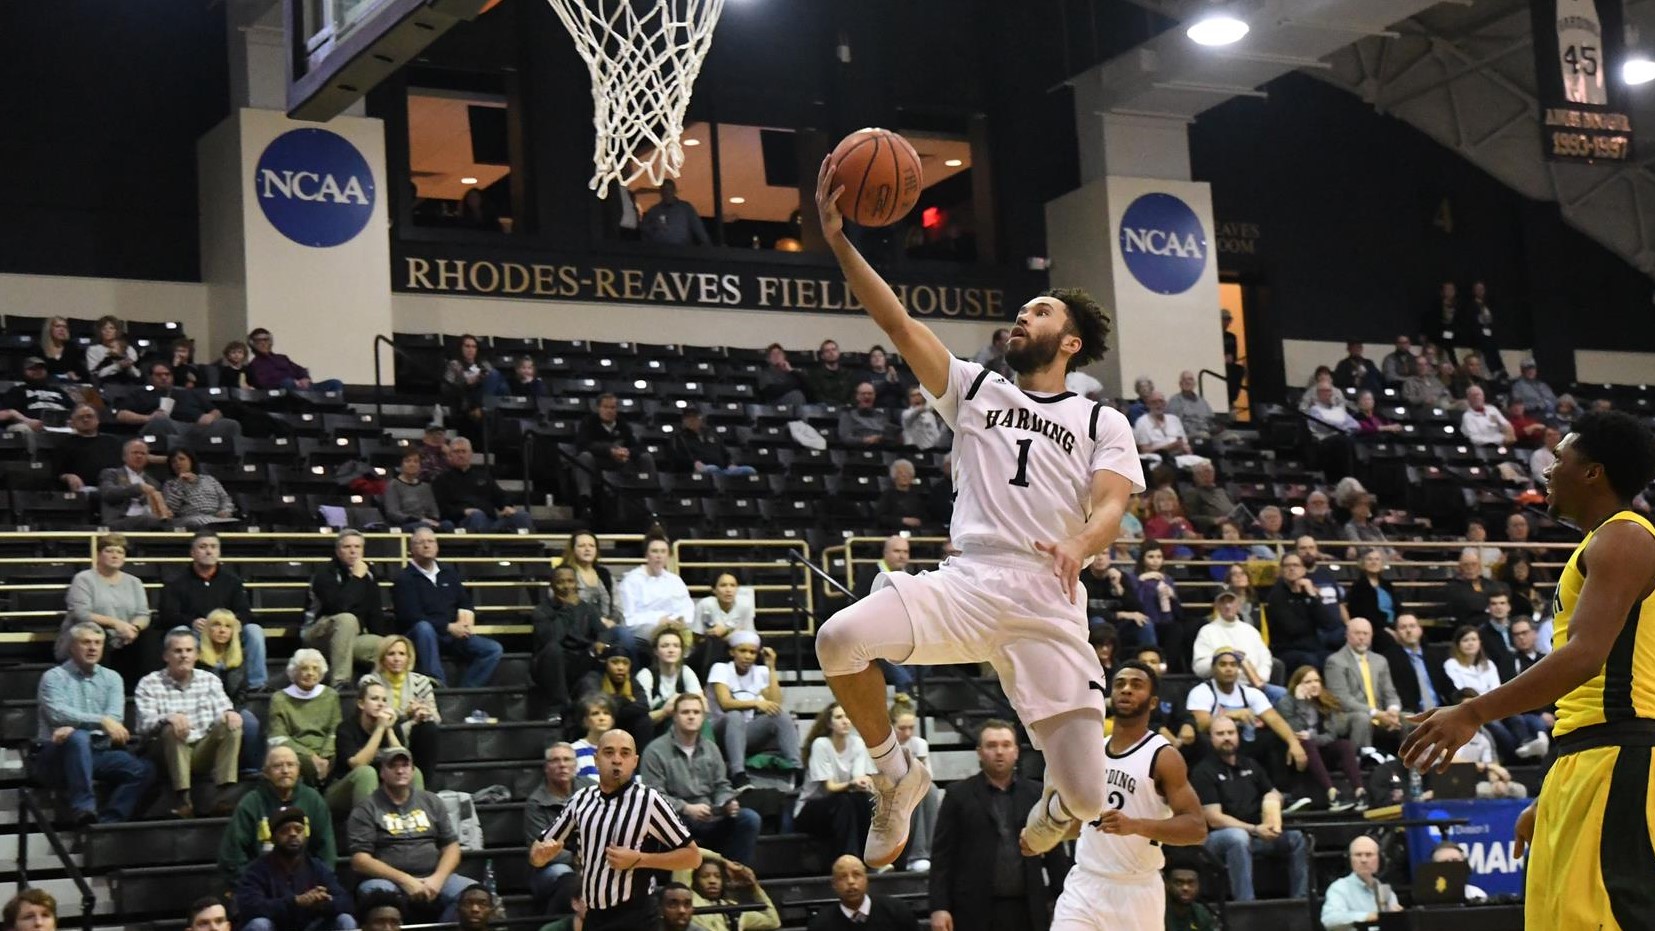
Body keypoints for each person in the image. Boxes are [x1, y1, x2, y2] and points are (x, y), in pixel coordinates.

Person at [814, 160, 1143, 867]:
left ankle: (1055, 806)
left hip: (1048, 598)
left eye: (1041, 311)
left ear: (1071, 341)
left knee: (1089, 798)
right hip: (968, 580)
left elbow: (1113, 502)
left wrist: (1079, 544)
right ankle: (897, 773)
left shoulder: (1099, 419)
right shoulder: (976, 389)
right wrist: (841, 241)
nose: (1023, 316)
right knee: (838, 639)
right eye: (1023, 310)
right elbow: (898, 324)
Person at [1045, 663, 1207, 931]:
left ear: (1153, 702)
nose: (1126, 690)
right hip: (1085, 883)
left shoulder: (1163, 756)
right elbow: (1084, 822)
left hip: (1136, 890)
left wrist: (1135, 826)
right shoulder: (1093, 750)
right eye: (1120, 684)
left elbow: (1197, 828)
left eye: (1136, 685)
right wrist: (1047, 834)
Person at [530, 729, 702, 931]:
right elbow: (538, 849)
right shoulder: (580, 800)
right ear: (596, 759)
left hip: (637, 916)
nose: (617, 760)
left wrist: (640, 859)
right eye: (609, 752)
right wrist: (540, 856)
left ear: (635, 761)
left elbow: (692, 856)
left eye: (625, 753)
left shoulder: (650, 801)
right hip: (594, 915)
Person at [927, 718, 1068, 931]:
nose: (999, 751)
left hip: (1028, 907)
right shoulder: (958, 795)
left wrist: (1064, 899)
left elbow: (1054, 852)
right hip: (973, 909)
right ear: (979, 752)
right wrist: (939, 907)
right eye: (991, 745)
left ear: (1016, 752)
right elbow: (942, 857)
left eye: (1006, 745)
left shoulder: (1036, 794)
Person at [33, 622, 153, 825]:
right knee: (77, 738)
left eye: (98, 643)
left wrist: (85, 723)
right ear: (72, 646)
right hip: (57, 755)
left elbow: (115, 718)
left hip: (97, 752)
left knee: (145, 769)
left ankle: (108, 822)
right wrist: (100, 721)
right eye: (86, 642)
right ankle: (83, 808)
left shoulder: (112, 678)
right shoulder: (54, 677)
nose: (92, 648)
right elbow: (58, 714)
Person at [347, 747, 475, 922]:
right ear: (382, 772)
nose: (400, 770)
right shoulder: (367, 808)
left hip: (433, 876)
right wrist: (405, 880)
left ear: (413, 770)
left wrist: (437, 879)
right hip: (387, 880)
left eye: (405, 765)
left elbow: (451, 847)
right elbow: (360, 860)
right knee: (377, 898)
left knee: (472, 895)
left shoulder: (431, 801)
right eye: (393, 766)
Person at [1191, 715, 1308, 902]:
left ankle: (1300, 900)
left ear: (1238, 735)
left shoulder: (1250, 764)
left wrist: (1272, 800)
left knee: (1297, 838)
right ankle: (1246, 903)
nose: (1227, 737)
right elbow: (1214, 818)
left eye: (1230, 732)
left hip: (1256, 835)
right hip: (1214, 840)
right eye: (1220, 734)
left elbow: (1274, 793)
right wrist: (1254, 829)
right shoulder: (1203, 771)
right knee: (1237, 837)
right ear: (1210, 738)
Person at [136, 626, 242, 816]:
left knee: (232, 725)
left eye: (188, 651)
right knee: (172, 729)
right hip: (165, 752)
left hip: (201, 749)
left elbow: (223, 709)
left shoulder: (209, 680)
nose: (183, 656)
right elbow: (143, 726)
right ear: (166, 656)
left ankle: (223, 797)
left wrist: (230, 714)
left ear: (197, 655)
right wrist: (167, 718)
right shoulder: (149, 683)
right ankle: (183, 800)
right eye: (177, 651)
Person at [641, 693, 760, 863]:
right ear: (675, 716)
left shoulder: (711, 748)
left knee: (749, 819)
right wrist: (687, 808)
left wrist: (726, 802)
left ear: (703, 717)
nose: (691, 716)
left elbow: (722, 785)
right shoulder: (655, 751)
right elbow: (653, 797)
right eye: (685, 712)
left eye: (696, 712)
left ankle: (735, 875)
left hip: (710, 814)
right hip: (677, 818)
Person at [392, 527, 503, 687]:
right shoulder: (404, 578)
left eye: (430, 541)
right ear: (412, 549)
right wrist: (448, 626)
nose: (426, 545)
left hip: (452, 634)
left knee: (493, 649)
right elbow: (411, 616)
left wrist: (467, 617)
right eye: (421, 542)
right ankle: (438, 682)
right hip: (419, 637)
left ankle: (465, 693)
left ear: (437, 546)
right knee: (424, 627)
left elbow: (464, 601)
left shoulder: (449, 572)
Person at [159, 531, 269, 690]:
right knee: (179, 631)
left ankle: (257, 684)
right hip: (195, 631)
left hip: (227, 630)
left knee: (254, 630)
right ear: (193, 553)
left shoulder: (233, 581)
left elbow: (244, 611)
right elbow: (167, 615)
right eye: (203, 547)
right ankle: (182, 682)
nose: (209, 551)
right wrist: (191, 621)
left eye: (213, 547)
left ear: (219, 552)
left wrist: (235, 622)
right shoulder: (175, 582)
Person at [220, 746, 337, 885]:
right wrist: (253, 885)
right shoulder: (251, 803)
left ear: (299, 769)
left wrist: (315, 883)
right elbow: (232, 855)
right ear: (266, 773)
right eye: (277, 766)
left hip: (306, 885)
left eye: (290, 765)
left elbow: (326, 852)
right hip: (261, 886)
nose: (285, 771)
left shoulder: (313, 800)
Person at [1184, 650, 1306, 778]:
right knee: (1203, 741)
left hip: (1243, 741)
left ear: (1238, 669)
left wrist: (1293, 743)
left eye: (1233, 665)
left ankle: (1282, 791)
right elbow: (1201, 725)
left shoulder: (1250, 693)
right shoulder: (1201, 691)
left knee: (1278, 738)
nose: (1228, 669)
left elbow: (1275, 720)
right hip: (1215, 742)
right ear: (1214, 669)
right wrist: (1230, 715)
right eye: (1223, 664)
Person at [235, 806, 356, 931]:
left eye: (298, 829)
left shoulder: (317, 867)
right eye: (285, 830)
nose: (293, 834)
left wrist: (325, 903)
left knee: (345, 920)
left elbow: (346, 902)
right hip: (275, 928)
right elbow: (250, 908)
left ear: (305, 833)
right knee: (259, 925)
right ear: (272, 837)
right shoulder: (257, 871)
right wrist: (295, 902)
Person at [55, 533, 153, 684]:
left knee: (148, 637)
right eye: (109, 551)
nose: (115, 555)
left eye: (120, 552)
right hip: (90, 635)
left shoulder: (134, 582)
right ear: (99, 554)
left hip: (124, 638)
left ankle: (140, 691)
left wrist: (133, 628)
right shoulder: (84, 579)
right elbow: (81, 614)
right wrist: (117, 624)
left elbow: (143, 614)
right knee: (99, 634)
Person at [707, 631, 800, 788]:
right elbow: (725, 703)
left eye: (752, 652)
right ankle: (738, 773)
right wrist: (756, 703)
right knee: (734, 716)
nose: (748, 656)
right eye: (742, 651)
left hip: (746, 732)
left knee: (779, 715)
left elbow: (775, 704)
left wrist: (771, 668)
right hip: (720, 730)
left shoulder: (760, 671)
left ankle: (796, 768)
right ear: (732, 652)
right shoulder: (721, 668)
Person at [1441, 626, 1546, 762]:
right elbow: (1463, 691)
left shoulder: (1489, 664)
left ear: (1480, 643)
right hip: (1471, 709)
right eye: (1465, 640)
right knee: (1497, 727)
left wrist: (1488, 699)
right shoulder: (1452, 664)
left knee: (1515, 717)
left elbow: (1497, 689)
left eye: (1473, 639)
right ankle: (1516, 755)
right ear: (1458, 645)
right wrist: (1485, 698)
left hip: (1493, 706)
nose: (1470, 643)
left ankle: (1525, 743)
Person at [303, 530, 389, 689]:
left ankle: (382, 688)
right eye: (347, 547)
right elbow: (338, 606)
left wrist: (382, 638)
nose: (353, 551)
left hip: (351, 638)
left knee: (391, 647)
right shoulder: (324, 573)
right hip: (318, 634)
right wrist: (356, 578)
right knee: (347, 619)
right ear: (337, 551)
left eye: (357, 547)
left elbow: (374, 613)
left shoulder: (368, 574)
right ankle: (340, 682)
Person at [531, 565, 618, 717]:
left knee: (598, 656)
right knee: (554, 649)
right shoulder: (542, 611)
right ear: (552, 585)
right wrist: (567, 608)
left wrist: (601, 642)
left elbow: (603, 631)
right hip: (550, 665)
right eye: (561, 582)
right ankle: (559, 706)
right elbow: (553, 637)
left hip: (579, 660)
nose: (566, 586)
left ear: (577, 584)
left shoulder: (586, 608)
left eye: (571, 581)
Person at [1274, 667, 1365, 811]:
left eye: (1317, 681)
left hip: (1319, 749)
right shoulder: (1286, 702)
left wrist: (1313, 738)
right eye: (1308, 682)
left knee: (1344, 745)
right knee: (1306, 742)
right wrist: (1300, 703)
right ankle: (1332, 794)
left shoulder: (1325, 701)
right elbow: (1295, 732)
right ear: (1297, 685)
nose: (1314, 684)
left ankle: (1360, 791)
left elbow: (1331, 735)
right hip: (1297, 755)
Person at [795, 703, 876, 858]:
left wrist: (864, 782)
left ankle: (872, 859)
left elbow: (858, 779)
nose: (845, 721)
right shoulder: (821, 745)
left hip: (842, 804)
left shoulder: (858, 743)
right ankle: (849, 859)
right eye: (839, 717)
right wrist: (852, 784)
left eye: (848, 717)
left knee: (863, 799)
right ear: (829, 723)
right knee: (843, 801)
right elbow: (829, 787)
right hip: (811, 808)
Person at [329, 680, 423, 813]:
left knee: (415, 773)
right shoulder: (346, 728)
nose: (381, 704)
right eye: (374, 699)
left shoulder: (391, 727)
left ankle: (416, 822)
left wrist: (389, 730)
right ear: (361, 704)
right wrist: (380, 729)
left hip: (381, 788)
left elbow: (405, 761)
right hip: (342, 790)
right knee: (366, 773)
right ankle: (366, 828)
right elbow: (358, 764)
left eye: (384, 700)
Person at [362, 635, 442, 789]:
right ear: (382, 658)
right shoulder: (370, 681)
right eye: (391, 654)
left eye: (401, 654)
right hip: (381, 735)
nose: (397, 659)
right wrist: (407, 714)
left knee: (429, 728)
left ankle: (424, 788)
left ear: (409, 657)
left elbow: (436, 717)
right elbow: (379, 716)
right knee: (391, 725)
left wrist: (424, 713)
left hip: (412, 735)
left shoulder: (421, 682)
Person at [524, 742, 593, 916]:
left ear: (575, 765)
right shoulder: (537, 802)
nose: (562, 764)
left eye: (567, 759)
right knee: (566, 877)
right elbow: (538, 847)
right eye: (555, 760)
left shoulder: (592, 790)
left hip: (592, 857)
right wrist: (578, 857)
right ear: (546, 768)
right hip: (550, 867)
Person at [1322, 618, 1403, 755]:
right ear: (1347, 635)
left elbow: (1390, 693)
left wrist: (1392, 711)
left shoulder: (1380, 661)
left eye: (1366, 634)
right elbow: (1342, 700)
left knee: (1411, 719)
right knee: (1362, 718)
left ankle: (1412, 765)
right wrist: (1376, 713)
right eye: (1357, 633)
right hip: (1347, 716)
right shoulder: (1335, 662)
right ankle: (1360, 761)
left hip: (1382, 714)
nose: (1361, 637)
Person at [113, 361, 242, 447]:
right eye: (159, 375)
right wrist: (148, 418)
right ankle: (180, 455)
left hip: (196, 428)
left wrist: (211, 417)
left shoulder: (187, 392)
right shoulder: (141, 393)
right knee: (161, 422)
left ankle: (233, 465)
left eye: (167, 374)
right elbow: (121, 415)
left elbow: (216, 411)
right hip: (164, 426)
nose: (164, 377)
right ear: (151, 377)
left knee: (231, 425)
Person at [197, 609, 263, 774]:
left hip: (232, 707)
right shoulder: (197, 657)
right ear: (208, 629)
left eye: (227, 626)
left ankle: (251, 768)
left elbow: (242, 692)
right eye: (217, 625)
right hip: (203, 709)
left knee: (250, 722)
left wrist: (233, 711)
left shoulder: (240, 657)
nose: (222, 630)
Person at [269, 650, 343, 785]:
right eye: (304, 668)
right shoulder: (279, 699)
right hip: (296, 752)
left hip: (327, 753)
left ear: (321, 673)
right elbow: (278, 736)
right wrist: (310, 756)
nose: (310, 673)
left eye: (315, 669)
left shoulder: (331, 696)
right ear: (294, 673)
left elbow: (335, 730)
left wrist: (325, 757)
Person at [572, 394, 655, 514]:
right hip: (597, 462)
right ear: (598, 408)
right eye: (605, 407)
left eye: (612, 407)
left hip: (619, 463)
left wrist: (628, 451)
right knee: (584, 457)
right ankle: (586, 501)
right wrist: (609, 450)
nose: (609, 411)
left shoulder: (622, 424)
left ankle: (650, 497)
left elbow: (636, 446)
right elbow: (582, 445)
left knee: (645, 457)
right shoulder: (588, 422)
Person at [615, 533, 695, 654]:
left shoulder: (675, 580)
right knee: (666, 640)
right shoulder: (632, 580)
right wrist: (658, 620)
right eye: (654, 551)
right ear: (647, 554)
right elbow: (628, 619)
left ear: (668, 555)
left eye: (663, 551)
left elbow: (687, 608)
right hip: (644, 630)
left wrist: (678, 621)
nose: (659, 556)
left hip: (673, 627)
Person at [433, 438, 534, 532]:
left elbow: (500, 496)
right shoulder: (441, 479)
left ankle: (530, 549)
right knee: (477, 515)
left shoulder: (483, 476)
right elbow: (442, 509)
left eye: (464, 451)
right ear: (449, 455)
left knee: (522, 516)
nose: (460, 455)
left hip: (491, 522)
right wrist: (463, 511)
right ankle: (482, 549)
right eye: (456, 451)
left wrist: (507, 506)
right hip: (461, 523)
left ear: (471, 454)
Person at [1264, 553, 1343, 673]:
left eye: (1296, 565)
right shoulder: (1276, 596)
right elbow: (1292, 628)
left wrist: (1312, 596)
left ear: (1303, 570)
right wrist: (1311, 617)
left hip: (1313, 647)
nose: (1291, 568)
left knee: (1336, 661)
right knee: (1310, 661)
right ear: (1281, 570)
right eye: (1287, 566)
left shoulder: (1308, 591)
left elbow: (1328, 623)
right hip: (1287, 650)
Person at [887, 698, 939, 871]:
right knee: (912, 791)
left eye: (911, 727)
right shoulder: (884, 745)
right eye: (902, 728)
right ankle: (916, 854)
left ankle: (932, 852)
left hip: (911, 788)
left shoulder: (919, 744)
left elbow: (927, 776)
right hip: (887, 793)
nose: (908, 733)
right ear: (891, 726)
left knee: (930, 790)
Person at [1189, 591, 1274, 694]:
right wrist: (1221, 657)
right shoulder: (1207, 631)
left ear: (1238, 606)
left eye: (1231, 602)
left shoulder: (1250, 630)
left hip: (1256, 685)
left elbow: (1265, 658)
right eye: (1223, 603)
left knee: (1281, 695)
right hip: (1224, 688)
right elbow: (1199, 668)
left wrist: (1261, 678)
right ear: (1217, 606)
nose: (1228, 606)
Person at [806, 856, 913, 931]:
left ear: (866, 878)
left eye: (856, 874)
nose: (851, 882)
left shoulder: (896, 911)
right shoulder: (820, 924)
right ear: (834, 884)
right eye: (843, 877)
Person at [1318, 836, 1401, 931]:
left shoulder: (1387, 893)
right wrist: (1369, 916)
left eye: (1369, 855)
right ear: (1350, 860)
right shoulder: (1339, 888)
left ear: (1379, 859)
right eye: (1358, 855)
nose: (1363, 860)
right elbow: (1329, 920)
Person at [1382, 614, 1452, 715]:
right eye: (1403, 627)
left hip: (1439, 712)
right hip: (1410, 714)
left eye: (1412, 626)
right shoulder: (1388, 659)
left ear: (1420, 630)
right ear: (1396, 634)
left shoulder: (1434, 656)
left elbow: (1448, 686)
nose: (1408, 630)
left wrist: (1463, 698)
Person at [98, 438, 173, 529]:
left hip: (148, 519)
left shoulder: (153, 482)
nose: (139, 456)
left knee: (171, 522)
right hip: (119, 520)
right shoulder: (111, 473)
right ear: (124, 457)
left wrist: (164, 512)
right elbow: (108, 493)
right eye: (135, 453)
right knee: (148, 520)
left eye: (143, 453)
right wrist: (138, 488)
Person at [638, 627, 702, 731]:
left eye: (676, 646)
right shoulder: (646, 675)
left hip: (683, 725)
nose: (671, 650)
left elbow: (701, 703)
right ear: (656, 651)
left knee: (695, 713)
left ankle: (707, 746)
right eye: (665, 646)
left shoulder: (685, 671)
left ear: (681, 651)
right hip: (654, 730)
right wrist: (664, 711)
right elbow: (642, 720)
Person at [687, 859, 780, 931]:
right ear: (694, 881)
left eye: (718, 876)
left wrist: (754, 887)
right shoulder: (687, 900)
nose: (712, 881)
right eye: (705, 876)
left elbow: (773, 921)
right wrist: (724, 861)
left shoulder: (734, 908)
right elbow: (688, 853)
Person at [690, 572, 753, 675]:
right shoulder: (705, 605)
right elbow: (696, 639)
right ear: (714, 590)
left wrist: (725, 632)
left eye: (732, 585)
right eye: (723, 585)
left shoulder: (744, 605)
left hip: (736, 650)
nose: (728, 590)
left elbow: (749, 637)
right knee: (712, 645)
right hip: (709, 650)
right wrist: (711, 635)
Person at [55, 405, 125, 493]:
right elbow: (58, 473)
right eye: (80, 417)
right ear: (73, 422)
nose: (85, 419)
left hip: (114, 489)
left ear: (97, 420)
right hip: (83, 492)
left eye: (89, 416)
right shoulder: (65, 445)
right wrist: (69, 476)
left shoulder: (113, 442)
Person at [246, 328, 343, 392]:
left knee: (335, 383)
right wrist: (292, 382)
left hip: (303, 388)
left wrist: (305, 378)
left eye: (266, 340)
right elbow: (263, 384)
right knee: (287, 382)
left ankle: (338, 413)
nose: (263, 343)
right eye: (259, 341)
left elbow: (300, 370)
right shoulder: (254, 365)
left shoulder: (282, 358)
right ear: (252, 344)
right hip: (282, 394)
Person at [162, 448, 237, 528]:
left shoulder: (209, 479)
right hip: (188, 518)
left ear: (191, 461)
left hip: (215, 517)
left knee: (236, 523)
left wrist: (225, 511)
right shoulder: (170, 484)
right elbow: (171, 509)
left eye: (182, 459)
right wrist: (181, 484)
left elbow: (225, 499)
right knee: (200, 521)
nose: (178, 463)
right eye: (174, 461)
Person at [383, 448, 452, 532]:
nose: (412, 464)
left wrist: (432, 520)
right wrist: (419, 520)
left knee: (447, 525)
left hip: (426, 522)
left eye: (416, 461)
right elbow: (393, 513)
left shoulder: (425, 487)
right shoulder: (393, 485)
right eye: (408, 461)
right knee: (423, 526)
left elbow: (434, 512)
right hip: (405, 524)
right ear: (401, 464)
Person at [562, 531, 620, 624]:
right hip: (577, 626)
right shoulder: (565, 574)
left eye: (591, 546)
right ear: (573, 550)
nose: (587, 549)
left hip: (606, 626)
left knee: (623, 634)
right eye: (582, 546)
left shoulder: (604, 574)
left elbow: (617, 608)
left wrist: (611, 622)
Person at [641, 179, 709, 245]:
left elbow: (698, 227)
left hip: (682, 251)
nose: (667, 193)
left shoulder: (685, 208)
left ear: (674, 191)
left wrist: (707, 245)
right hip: (659, 251)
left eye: (669, 190)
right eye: (664, 190)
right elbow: (644, 231)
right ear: (661, 192)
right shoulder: (654, 211)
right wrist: (655, 226)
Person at [874, 458, 928, 530]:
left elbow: (924, 518)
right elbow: (880, 518)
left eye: (907, 473)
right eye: (900, 473)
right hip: (892, 532)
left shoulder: (916, 497)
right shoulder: (887, 495)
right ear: (894, 476)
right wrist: (903, 520)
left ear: (912, 477)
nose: (904, 475)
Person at [84, 317, 138, 385]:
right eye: (104, 328)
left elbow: (137, 374)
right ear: (99, 331)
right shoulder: (93, 350)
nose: (108, 331)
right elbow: (95, 374)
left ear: (117, 331)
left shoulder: (128, 349)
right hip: (106, 384)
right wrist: (117, 365)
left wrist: (127, 364)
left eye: (111, 328)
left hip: (129, 383)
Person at [805, 340, 857, 407]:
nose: (831, 352)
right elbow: (818, 397)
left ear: (838, 353)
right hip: (824, 410)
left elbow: (853, 395)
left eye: (834, 349)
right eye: (827, 351)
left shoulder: (849, 374)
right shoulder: (815, 375)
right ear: (822, 356)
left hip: (846, 410)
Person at [1163, 865, 1216, 931]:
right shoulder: (1157, 912)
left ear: (1198, 885)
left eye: (1191, 883)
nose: (1185, 888)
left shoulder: (1200, 914)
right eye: (1179, 883)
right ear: (1167, 884)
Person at [901, 385, 951, 450]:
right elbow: (914, 413)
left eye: (919, 395)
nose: (916, 398)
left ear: (923, 397)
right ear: (909, 398)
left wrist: (944, 424)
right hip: (914, 453)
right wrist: (931, 405)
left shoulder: (930, 415)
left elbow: (936, 437)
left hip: (931, 452)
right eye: (913, 396)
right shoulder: (906, 413)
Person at [40, 316, 84, 382]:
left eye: (64, 327)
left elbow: (80, 370)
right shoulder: (39, 348)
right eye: (58, 326)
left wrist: (74, 374)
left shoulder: (71, 347)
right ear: (49, 329)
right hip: (46, 384)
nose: (62, 329)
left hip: (69, 384)